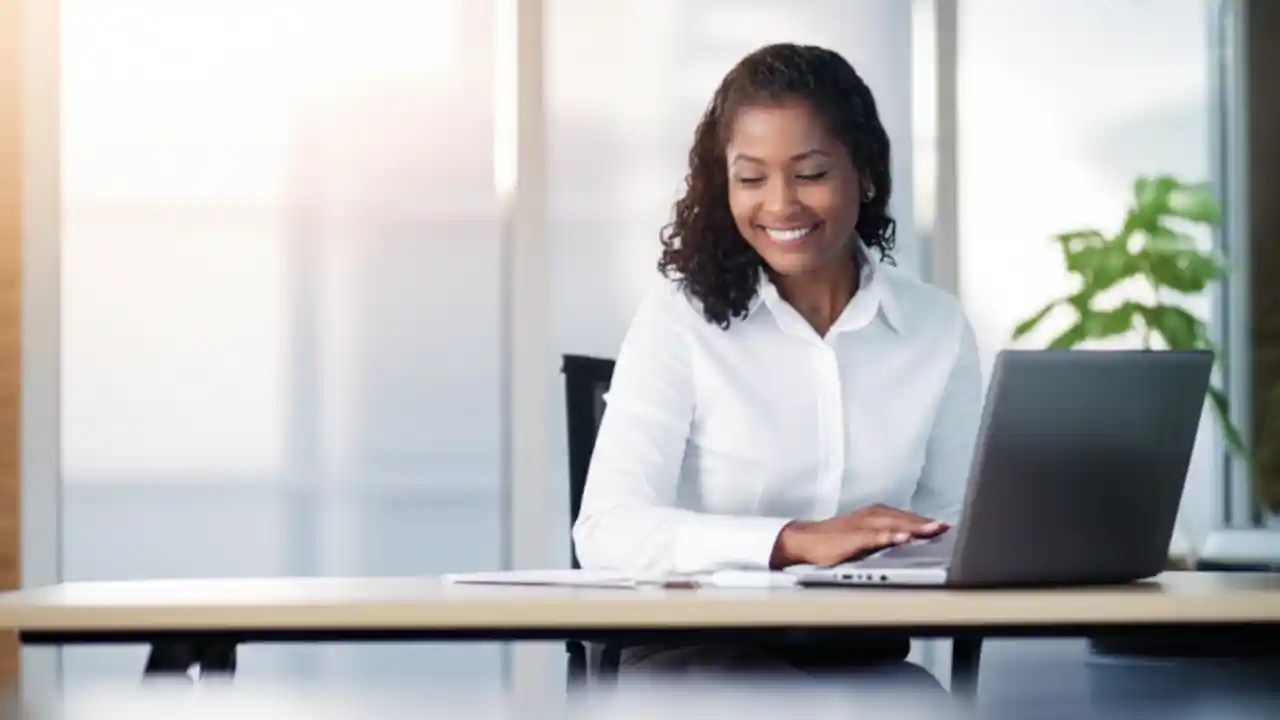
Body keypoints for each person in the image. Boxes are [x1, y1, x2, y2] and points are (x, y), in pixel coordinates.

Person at [572, 43, 982, 679]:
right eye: (752, 177)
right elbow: (606, 532)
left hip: (862, 661)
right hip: (693, 656)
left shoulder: (935, 327)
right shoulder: (679, 319)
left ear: (866, 173)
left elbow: (956, 526)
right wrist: (791, 541)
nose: (781, 204)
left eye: (811, 173)